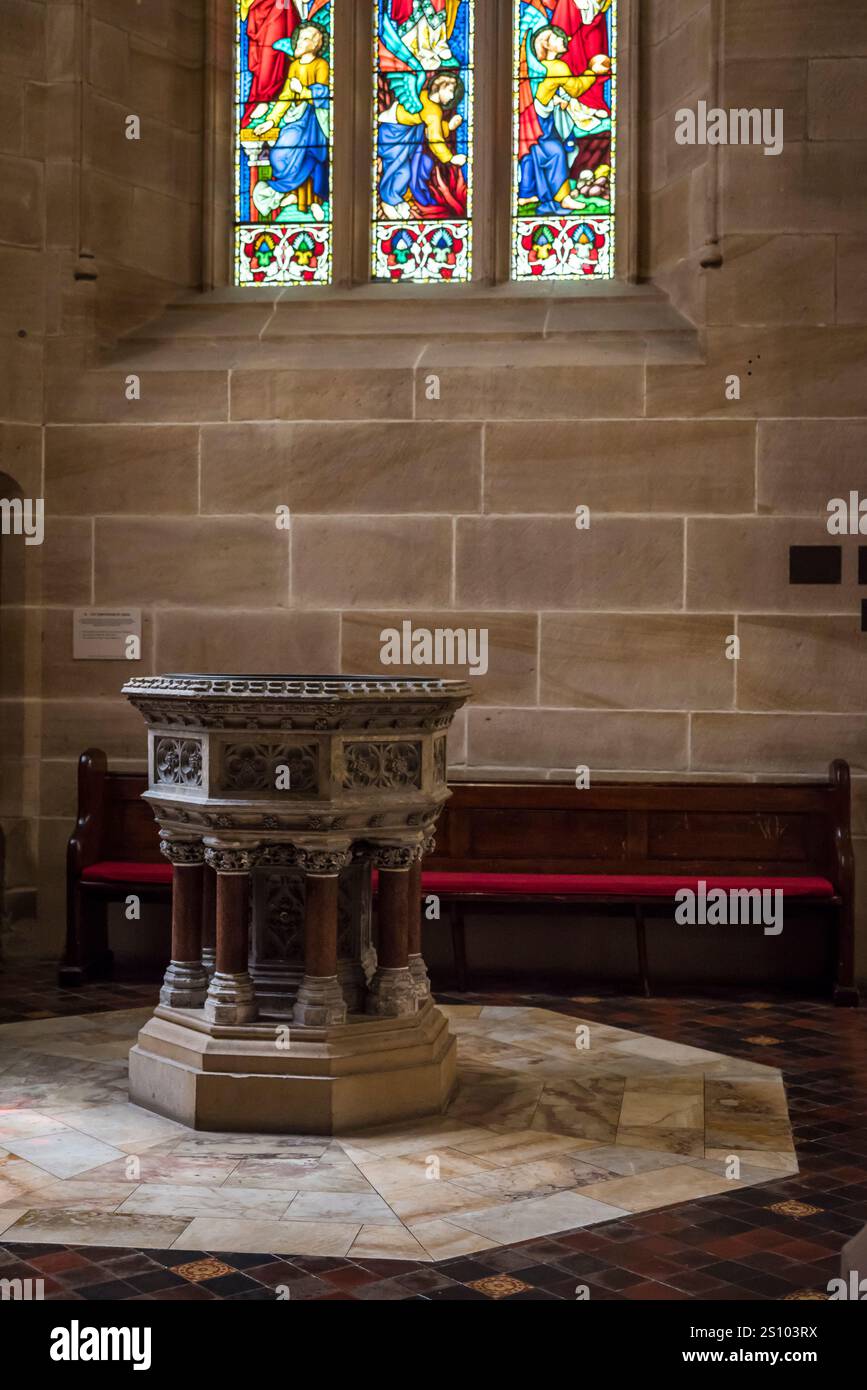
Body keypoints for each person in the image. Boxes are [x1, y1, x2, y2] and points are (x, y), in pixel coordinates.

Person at [518, 25, 610, 215]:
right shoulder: (557, 67)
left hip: (533, 115)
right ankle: (563, 198)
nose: (564, 41)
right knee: (556, 152)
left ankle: (527, 192)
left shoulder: (536, 66)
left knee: (530, 151)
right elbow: (575, 88)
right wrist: (592, 71)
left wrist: (553, 100)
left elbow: (541, 92)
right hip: (540, 120)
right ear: (546, 43)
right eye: (558, 38)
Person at [250, 23, 330, 224]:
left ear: (318, 44)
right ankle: (294, 195)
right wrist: (271, 121)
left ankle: (313, 201)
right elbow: (286, 95)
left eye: (311, 38)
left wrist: (302, 90)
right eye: (303, 37)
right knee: (280, 153)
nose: (306, 41)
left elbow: (323, 94)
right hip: (296, 117)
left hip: (315, 119)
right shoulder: (294, 67)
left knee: (311, 154)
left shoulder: (321, 65)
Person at [378, 70, 467, 220]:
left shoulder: (424, 96)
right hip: (394, 134)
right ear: (440, 86)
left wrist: (449, 127)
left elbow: (431, 127)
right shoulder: (433, 110)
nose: (452, 96)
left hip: (402, 132)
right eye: (450, 90)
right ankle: (388, 201)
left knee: (399, 170)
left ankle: (394, 199)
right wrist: (450, 159)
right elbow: (434, 137)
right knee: (400, 171)